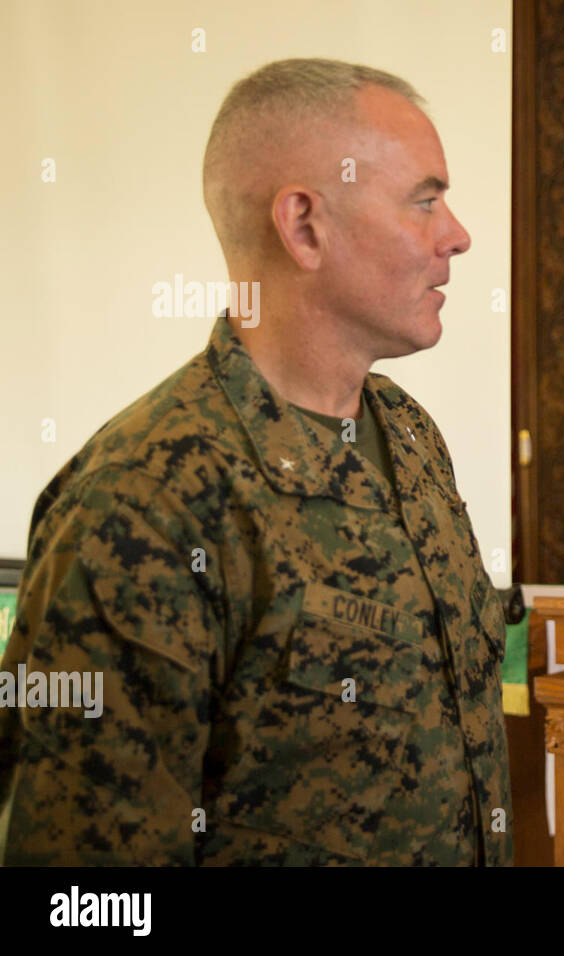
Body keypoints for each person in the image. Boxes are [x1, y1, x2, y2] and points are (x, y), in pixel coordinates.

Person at [0, 59, 512, 865]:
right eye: (424, 199)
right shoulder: (143, 503)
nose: (457, 234)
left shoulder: (409, 438)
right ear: (304, 225)